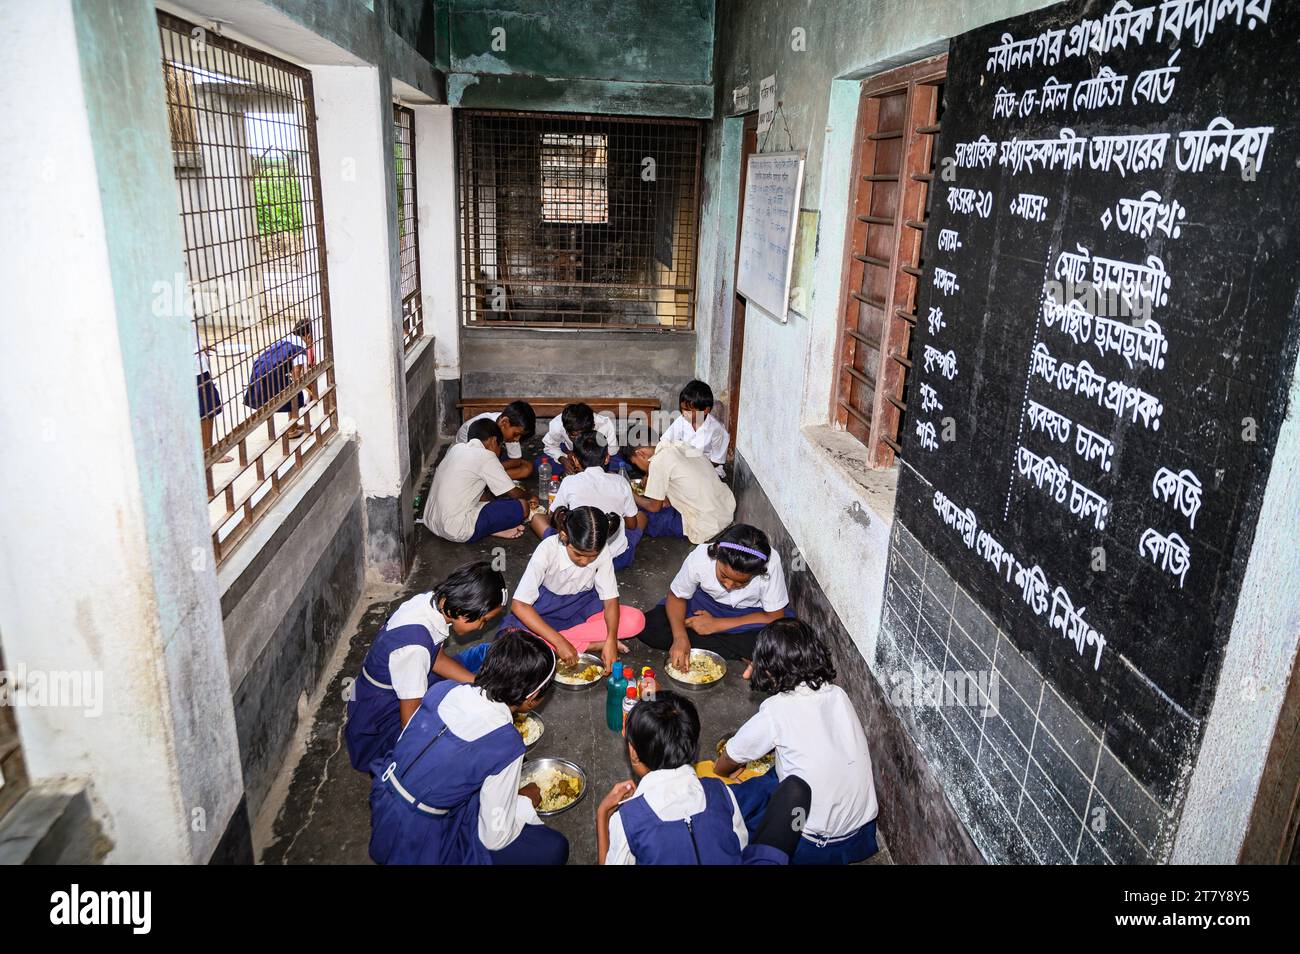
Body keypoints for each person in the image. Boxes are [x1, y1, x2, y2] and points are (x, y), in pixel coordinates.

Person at [368, 630, 569, 865]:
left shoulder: (444, 690)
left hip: (384, 805)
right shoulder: (506, 743)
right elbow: (495, 838)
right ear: (533, 697)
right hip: (420, 841)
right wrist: (524, 800)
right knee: (554, 848)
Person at [713, 619, 879, 865]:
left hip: (808, 842)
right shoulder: (838, 694)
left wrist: (721, 770)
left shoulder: (776, 710)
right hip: (860, 835)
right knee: (775, 780)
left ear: (767, 669)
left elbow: (730, 757)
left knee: (736, 804)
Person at [345, 561, 507, 773]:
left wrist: (478, 685)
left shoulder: (431, 604)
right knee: (457, 744)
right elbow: (409, 723)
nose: (482, 627)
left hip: (400, 687)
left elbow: (436, 659)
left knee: (470, 677)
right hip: (383, 713)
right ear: (460, 610)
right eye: (483, 620)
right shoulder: (415, 649)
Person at [596, 691, 749, 864]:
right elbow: (740, 847)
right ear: (693, 743)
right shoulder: (722, 792)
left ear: (633, 752)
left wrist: (603, 815)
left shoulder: (628, 820)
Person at [497, 505, 645, 672]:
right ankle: (585, 644)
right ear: (564, 536)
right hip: (544, 611)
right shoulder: (547, 549)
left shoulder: (602, 550)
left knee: (635, 621)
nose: (584, 562)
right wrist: (559, 641)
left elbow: (610, 600)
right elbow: (520, 606)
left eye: (592, 557)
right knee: (513, 637)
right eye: (578, 554)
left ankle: (552, 642)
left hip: (583, 607)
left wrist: (611, 639)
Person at [637, 523, 793, 670]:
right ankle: (740, 651)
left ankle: (731, 648)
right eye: (724, 575)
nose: (729, 585)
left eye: (741, 582)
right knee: (648, 627)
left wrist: (716, 624)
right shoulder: (700, 558)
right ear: (717, 553)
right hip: (704, 605)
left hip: (750, 616)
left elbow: (774, 616)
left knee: (785, 645)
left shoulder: (769, 564)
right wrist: (679, 637)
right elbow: (677, 597)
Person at [530, 431, 645, 571]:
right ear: (607, 458)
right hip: (615, 560)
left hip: (577, 556)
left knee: (537, 519)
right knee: (641, 517)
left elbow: (555, 520)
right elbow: (632, 526)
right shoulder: (621, 482)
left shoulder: (569, 482)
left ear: (575, 460)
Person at [420, 418, 536, 543]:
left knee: (490, 503)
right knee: (522, 506)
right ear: (493, 441)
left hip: (432, 521)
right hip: (456, 530)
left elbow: (481, 496)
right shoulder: (486, 456)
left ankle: (492, 529)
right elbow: (513, 492)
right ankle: (488, 529)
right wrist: (529, 496)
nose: (500, 451)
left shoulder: (456, 449)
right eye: (500, 446)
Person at [630, 441, 735, 544]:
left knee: (640, 512)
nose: (638, 467)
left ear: (640, 453)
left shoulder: (658, 462)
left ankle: (628, 545)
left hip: (705, 527)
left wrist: (632, 495)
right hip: (725, 511)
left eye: (635, 463)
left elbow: (654, 507)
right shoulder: (680, 444)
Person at [243, 318, 315, 439]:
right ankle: (291, 430)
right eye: (312, 339)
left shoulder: (287, 340)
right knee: (296, 396)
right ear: (308, 336)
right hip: (272, 372)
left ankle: (294, 424)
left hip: (258, 367)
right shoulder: (300, 349)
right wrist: (313, 392)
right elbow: (297, 375)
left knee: (289, 392)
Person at [658, 380, 729, 478]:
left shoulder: (717, 430)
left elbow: (716, 461)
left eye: (688, 410)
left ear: (705, 410)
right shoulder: (682, 421)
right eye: (682, 409)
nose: (683, 413)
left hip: (708, 471)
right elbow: (665, 441)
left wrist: (692, 467)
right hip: (684, 466)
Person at [456, 401, 537, 480]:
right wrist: (495, 469)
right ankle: (487, 480)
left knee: (527, 467)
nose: (517, 439)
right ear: (504, 422)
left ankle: (488, 480)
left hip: (487, 464)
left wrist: (495, 468)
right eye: (516, 434)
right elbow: (479, 465)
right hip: (468, 462)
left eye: (520, 435)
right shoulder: (482, 428)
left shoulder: (509, 424)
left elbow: (516, 460)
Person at [539, 402, 623, 475]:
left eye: (583, 437)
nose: (578, 441)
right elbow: (550, 446)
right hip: (569, 453)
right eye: (573, 437)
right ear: (566, 430)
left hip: (596, 456)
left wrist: (589, 465)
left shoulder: (604, 426)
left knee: (619, 465)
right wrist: (563, 458)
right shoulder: (558, 425)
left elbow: (611, 453)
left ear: (593, 427)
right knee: (541, 464)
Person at [196, 335, 232, 463]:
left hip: (198, 365)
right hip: (194, 369)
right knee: (207, 410)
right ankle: (208, 452)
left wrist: (201, 343)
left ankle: (206, 449)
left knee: (208, 409)